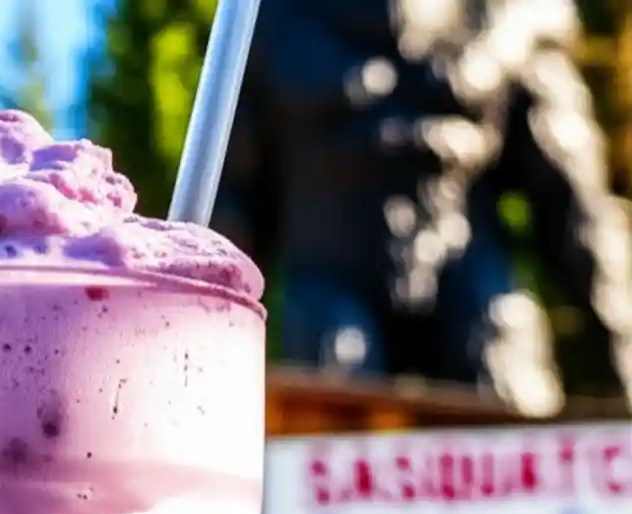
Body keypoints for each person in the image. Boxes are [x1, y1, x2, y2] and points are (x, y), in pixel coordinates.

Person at [217, 0, 632, 415]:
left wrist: (625, 353)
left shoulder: (508, 14)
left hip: (464, 270)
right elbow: (228, 209)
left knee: (504, 359)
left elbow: (576, 204)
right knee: (329, 382)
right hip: (334, 274)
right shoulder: (263, 20)